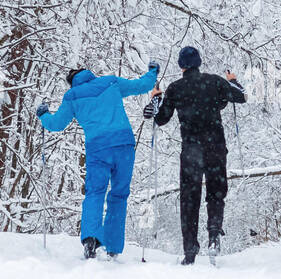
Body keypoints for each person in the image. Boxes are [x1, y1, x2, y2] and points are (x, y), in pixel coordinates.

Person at [36, 61, 159, 260]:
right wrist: (153, 72)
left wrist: (43, 115)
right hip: (124, 145)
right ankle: (112, 247)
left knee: (95, 193)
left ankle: (91, 239)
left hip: (98, 149)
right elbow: (141, 85)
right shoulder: (110, 82)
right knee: (119, 195)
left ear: (72, 83)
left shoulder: (72, 96)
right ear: (89, 74)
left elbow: (56, 124)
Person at [145, 46, 245, 264]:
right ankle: (214, 235)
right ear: (199, 62)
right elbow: (241, 96)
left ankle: (190, 249)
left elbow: (160, 119)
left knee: (189, 199)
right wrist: (233, 81)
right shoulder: (214, 82)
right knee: (216, 193)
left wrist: (156, 98)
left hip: (191, 151)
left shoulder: (175, 88)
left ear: (181, 66)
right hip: (216, 147)